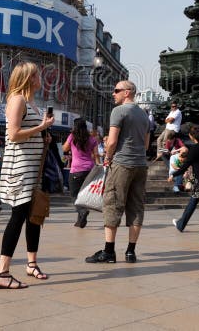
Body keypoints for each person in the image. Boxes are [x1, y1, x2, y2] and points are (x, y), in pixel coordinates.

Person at [0, 62, 54, 289]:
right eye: (37, 75)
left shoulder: (31, 103)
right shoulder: (17, 99)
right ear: (29, 78)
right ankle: (2, 272)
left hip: (32, 170)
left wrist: (43, 137)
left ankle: (31, 263)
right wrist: (41, 128)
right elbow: (14, 134)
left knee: (34, 216)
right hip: (19, 169)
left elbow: (25, 135)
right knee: (17, 217)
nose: (40, 79)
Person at [85, 80, 150, 264]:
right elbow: (146, 145)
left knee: (113, 203)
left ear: (127, 92)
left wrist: (107, 156)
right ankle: (130, 252)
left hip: (122, 163)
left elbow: (112, 141)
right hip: (140, 165)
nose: (113, 93)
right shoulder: (144, 115)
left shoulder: (119, 111)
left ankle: (109, 251)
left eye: (116, 90)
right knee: (136, 207)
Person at [64, 117, 99, 228]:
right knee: (84, 195)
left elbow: (65, 148)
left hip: (76, 170)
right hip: (89, 170)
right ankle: (80, 221)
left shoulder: (72, 137)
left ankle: (82, 211)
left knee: (74, 195)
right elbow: (96, 154)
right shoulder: (92, 139)